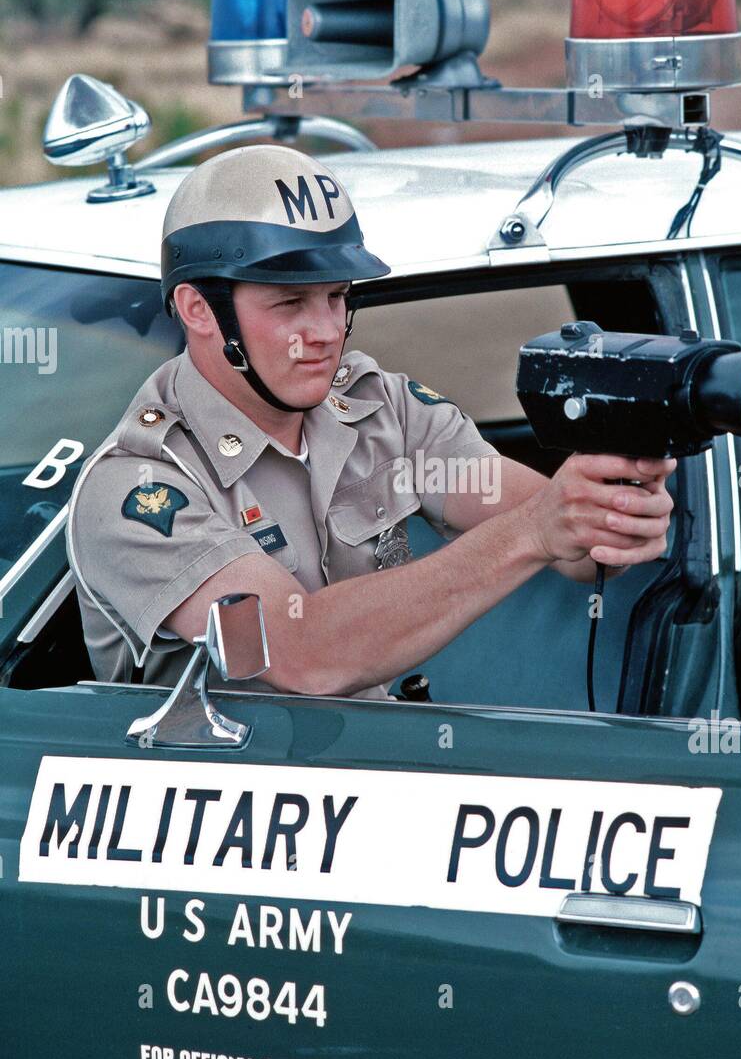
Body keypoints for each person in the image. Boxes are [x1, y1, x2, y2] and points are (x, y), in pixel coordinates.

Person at [67, 144, 675, 701]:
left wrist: (609, 512)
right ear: (198, 309)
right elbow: (305, 655)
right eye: (289, 304)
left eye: (337, 297)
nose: (328, 331)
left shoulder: (385, 411)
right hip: (237, 809)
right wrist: (535, 532)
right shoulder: (137, 491)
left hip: (380, 783)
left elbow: (567, 542)